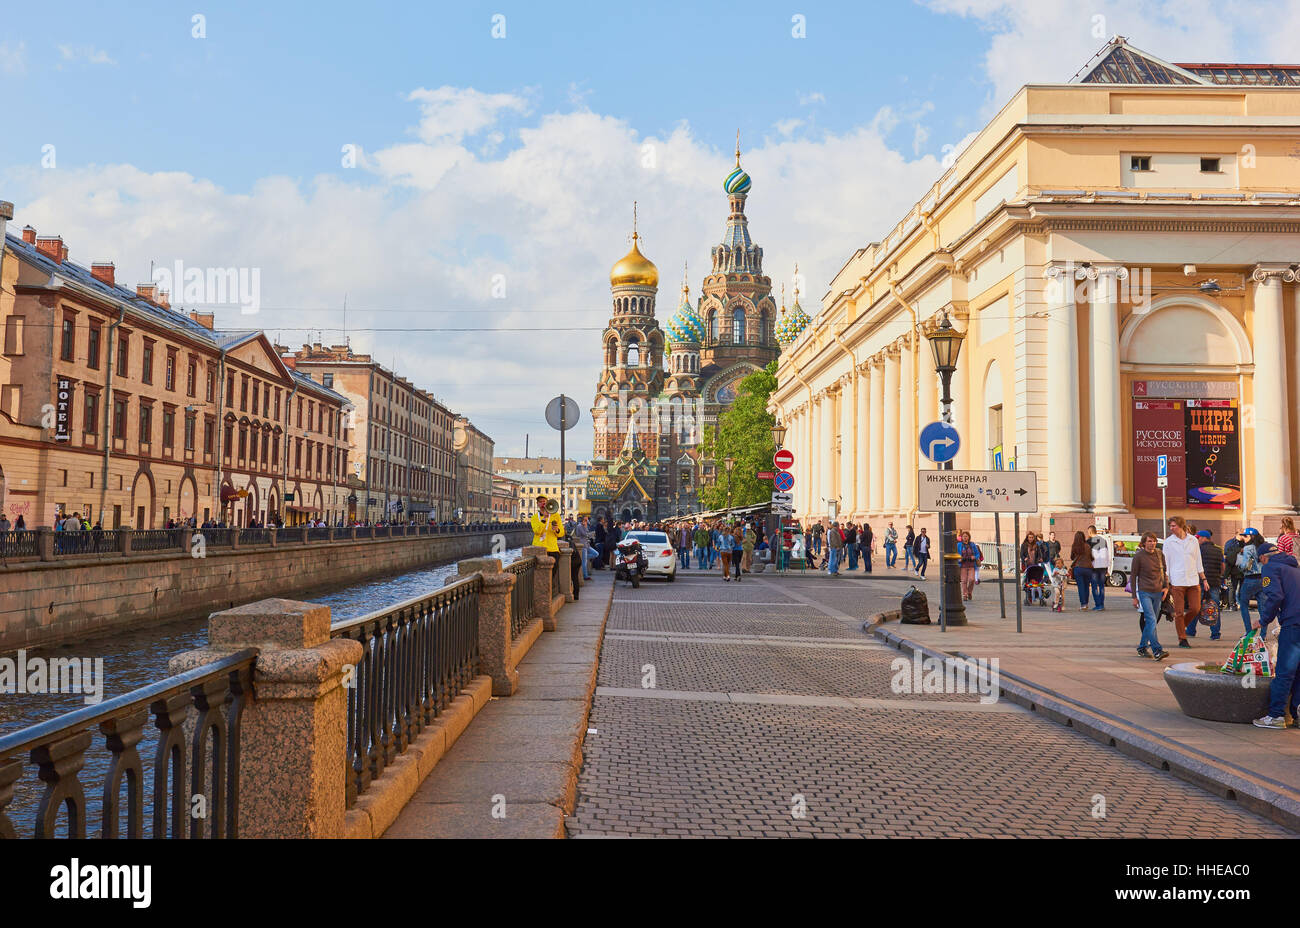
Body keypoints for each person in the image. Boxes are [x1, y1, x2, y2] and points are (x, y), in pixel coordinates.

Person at [1252, 542, 1300, 729]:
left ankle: (1276, 715)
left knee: (1285, 671)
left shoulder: (1270, 568)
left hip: (1293, 623)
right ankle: (1296, 712)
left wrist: (1263, 620)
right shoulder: (1294, 568)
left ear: (1263, 558)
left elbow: (1275, 596)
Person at [1164, 516, 1207, 649]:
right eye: (1170, 526)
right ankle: (1182, 638)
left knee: (1195, 608)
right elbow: (1166, 563)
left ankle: (1181, 626)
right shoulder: (1169, 542)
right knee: (1179, 612)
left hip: (1193, 579)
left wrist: (1204, 578)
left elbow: (1198, 560)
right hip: (1177, 580)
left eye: (1173, 526)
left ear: (1181, 526)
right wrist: (1167, 582)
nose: (1171, 528)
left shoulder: (1193, 540)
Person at [1130, 532, 1170, 661]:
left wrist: (1166, 587)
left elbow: (1164, 571)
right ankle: (1157, 650)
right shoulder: (1139, 556)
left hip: (1158, 592)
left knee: (1152, 621)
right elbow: (1133, 576)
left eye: (1153, 541)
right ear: (1144, 543)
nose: (1152, 544)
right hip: (1144, 591)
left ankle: (1142, 648)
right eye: (1149, 541)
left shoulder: (1159, 554)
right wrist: (1134, 597)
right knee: (1151, 620)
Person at [1185, 529, 1224, 641]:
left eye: (1198, 538)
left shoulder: (1199, 550)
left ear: (1203, 538)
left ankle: (1191, 630)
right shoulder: (1218, 550)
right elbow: (1222, 567)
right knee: (1214, 608)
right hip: (1215, 583)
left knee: (1195, 607)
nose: (1197, 540)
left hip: (1201, 582)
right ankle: (1215, 634)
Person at [1234, 528, 1266, 633]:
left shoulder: (1248, 548)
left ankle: (1248, 631)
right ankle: (1263, 634)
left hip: (1250, 579)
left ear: (1252, 537)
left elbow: (1245, 566)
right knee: (1262, 607)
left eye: (1245, 536)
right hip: (1262, 578)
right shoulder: (1263, 547)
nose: (1243, 538)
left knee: (1243, 604)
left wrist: (1239, 559)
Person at [1087, 525, 1111, 611]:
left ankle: (1098, 605)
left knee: (1094, 586)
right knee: (1101, 586)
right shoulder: (1103, 540)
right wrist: (1108, 567)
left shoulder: (1089, 541)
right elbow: (1107, 554)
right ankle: (1102, 604)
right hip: (1103, 566)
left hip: (1094, 566)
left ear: (1089, 532)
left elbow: (1088, 555)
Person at [1069, 530, 1094, 610]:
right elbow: (1091, 557)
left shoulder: (1074, 546)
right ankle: (1086, 603)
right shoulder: (1088, 546)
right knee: (1086, 586)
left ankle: (1083, 604)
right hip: (1088, 569)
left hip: (1078, 568)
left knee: (1081, 587)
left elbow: (1072, 557)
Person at [957, 531, 982, 600]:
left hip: (971, 565)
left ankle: (969, 592)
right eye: (963, 536)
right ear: (961, 537)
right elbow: (956, 554)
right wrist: (959, 559)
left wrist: (975, 557)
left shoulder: (972, 544)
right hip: (963, 565)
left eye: (966, 536)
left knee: (972, 580)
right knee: (964, 581)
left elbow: (978, 554)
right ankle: (965, 595)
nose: (965, 537)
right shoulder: (959, 545)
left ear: (969, 537)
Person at [573, 515, 592, 580]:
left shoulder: (584, 525)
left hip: (586, 544)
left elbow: (587, 533)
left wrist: (586, 526)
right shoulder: (580, 526)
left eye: (587, 520)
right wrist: (586, 526)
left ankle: (584, 557)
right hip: (582, 544)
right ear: (583, 520)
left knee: (596, 554)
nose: (587, 521)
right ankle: (585, 576)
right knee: (584, 562)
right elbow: (585, 534)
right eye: (586, 520)